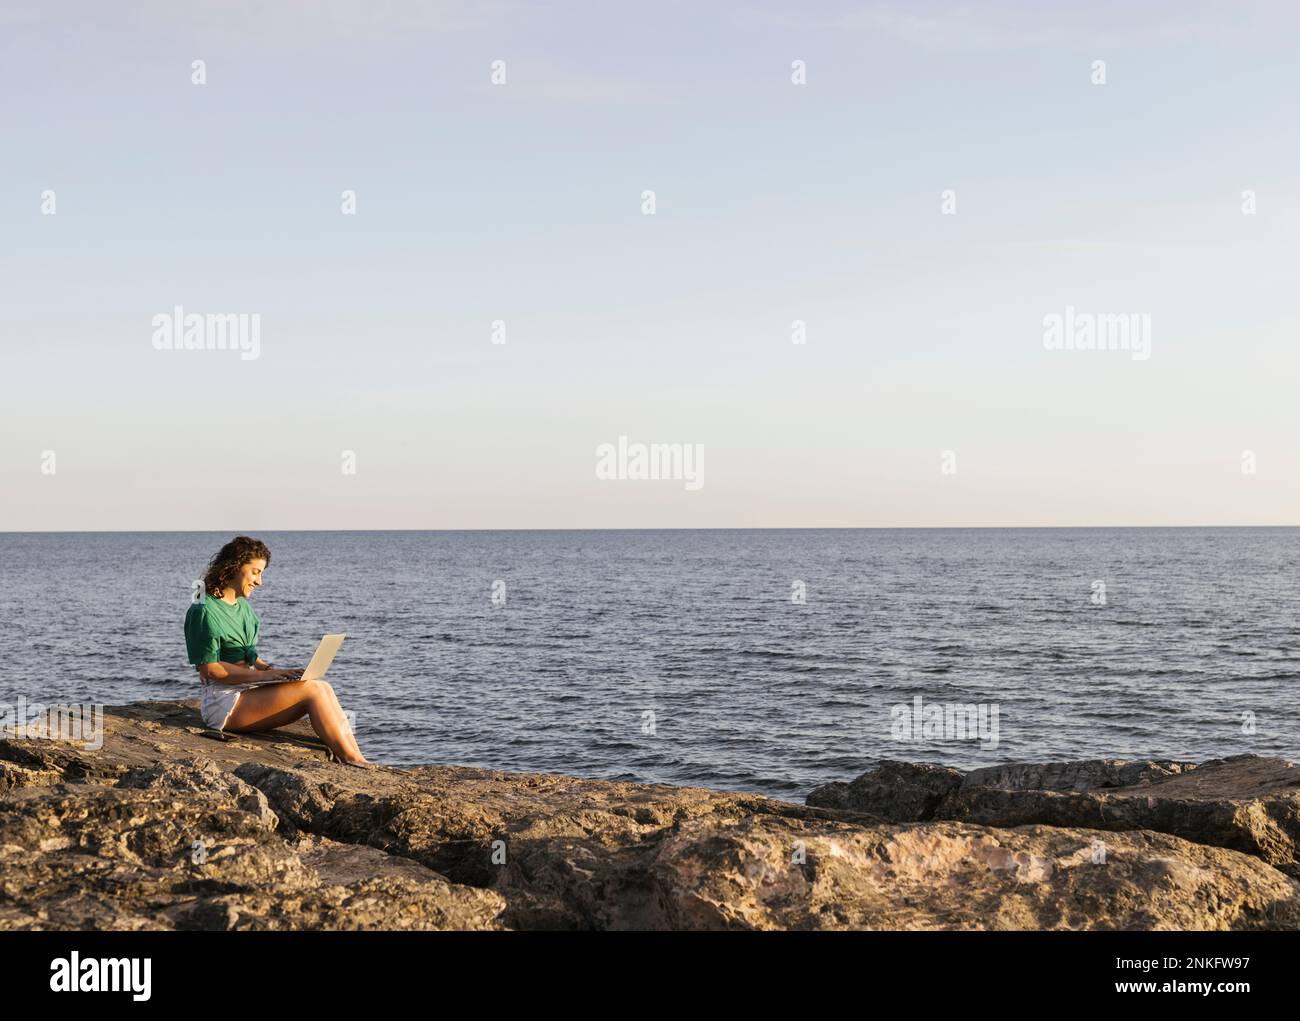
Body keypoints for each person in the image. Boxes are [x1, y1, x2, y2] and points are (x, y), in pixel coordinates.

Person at [183, 535, 370, 767]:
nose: (259, 581)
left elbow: (247, 656)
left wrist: (273, 670)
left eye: (261, 573)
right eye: (255, 572)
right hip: (224, 704)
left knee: (323, 686)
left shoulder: (242, 607)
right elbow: (210, 669)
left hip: (249, 690)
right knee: (313, 691)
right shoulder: (203, 611)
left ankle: (358, 758)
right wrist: (265, 676)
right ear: (233, 566)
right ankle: (353, 760)